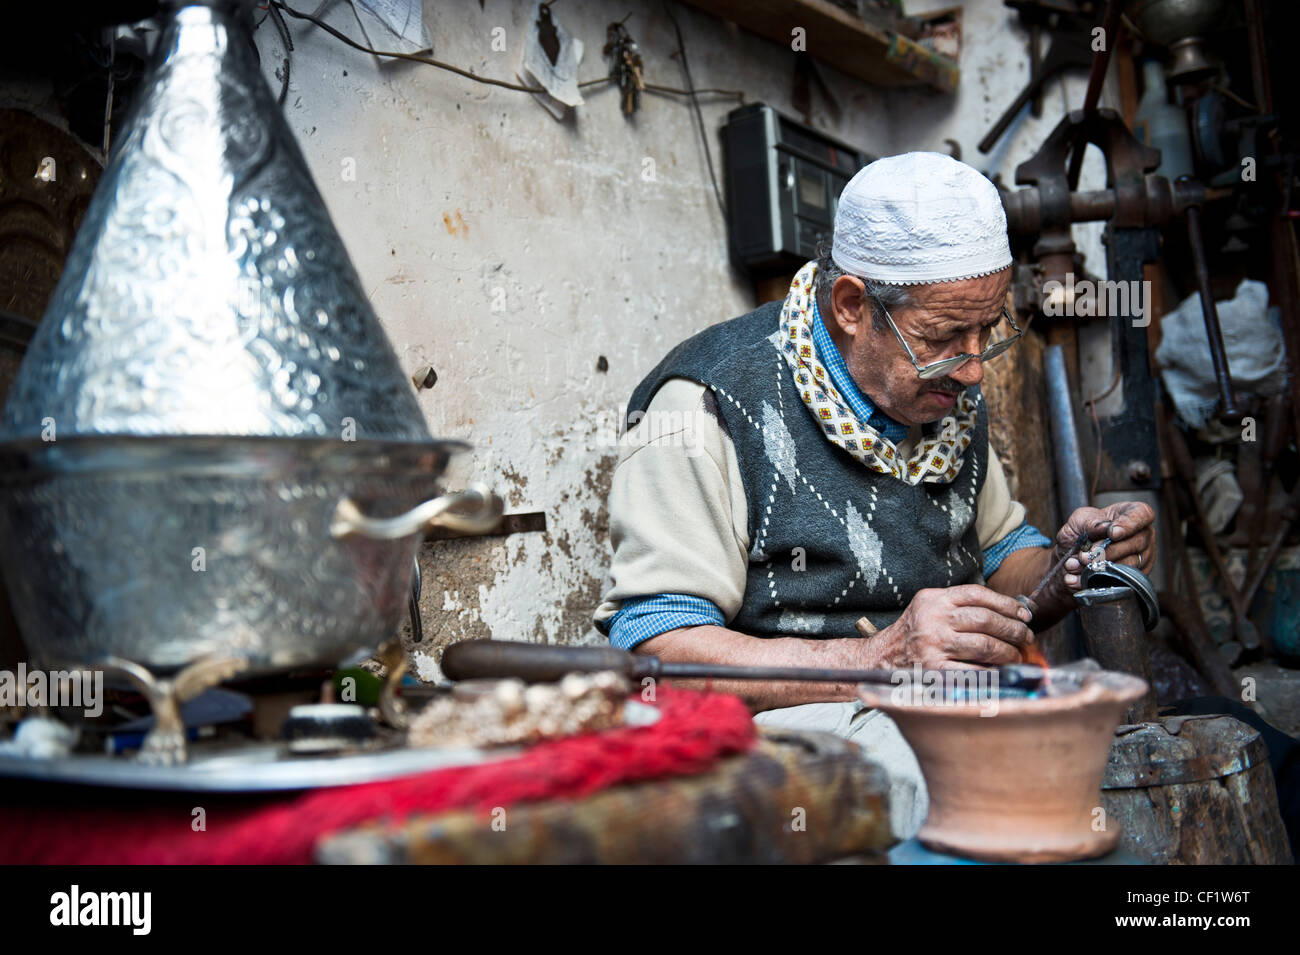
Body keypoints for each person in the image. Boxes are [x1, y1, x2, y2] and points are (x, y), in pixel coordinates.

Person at [594, 151, 1156, 837]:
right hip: (779, 731)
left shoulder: (943, 389)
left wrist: (1068, 567)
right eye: (946, 337)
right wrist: (873, 661)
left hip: (938, 704)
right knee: (963, 793)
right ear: (853, 305)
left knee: (1129, 758)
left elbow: (1004, 553)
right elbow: (657, 653)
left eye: (987, 332)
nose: (975, 367)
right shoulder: (702, 403)